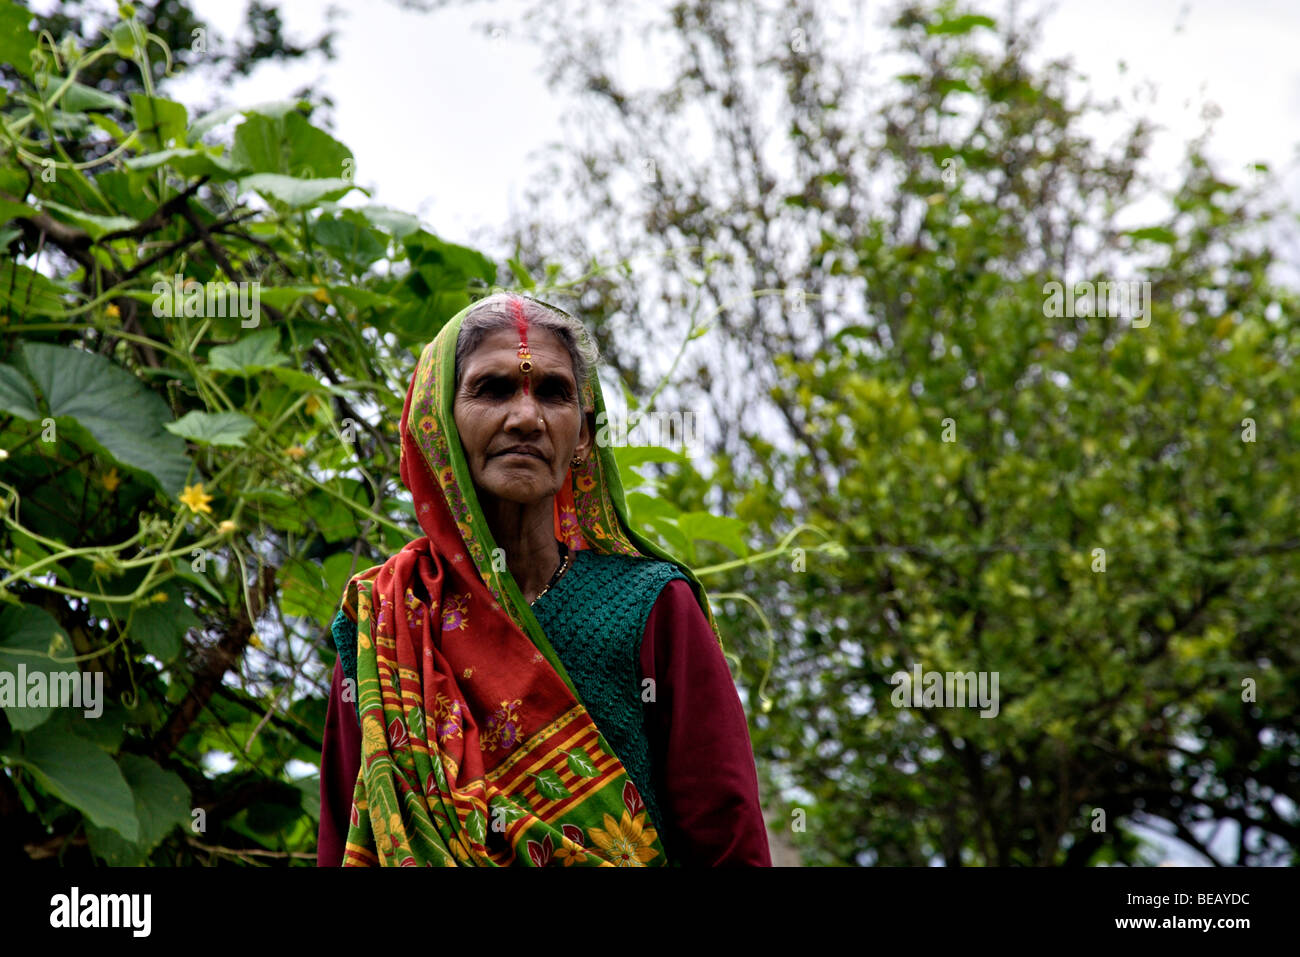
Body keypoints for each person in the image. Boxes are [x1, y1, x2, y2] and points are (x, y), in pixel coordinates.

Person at [316, 292, 771, 867]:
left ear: (582, 436)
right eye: (493, 388)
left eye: (553, 393)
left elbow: (727, 837)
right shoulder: (388, 618)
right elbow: (343, 832)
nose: (526, 418)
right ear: (440, 423)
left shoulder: (652, 606)